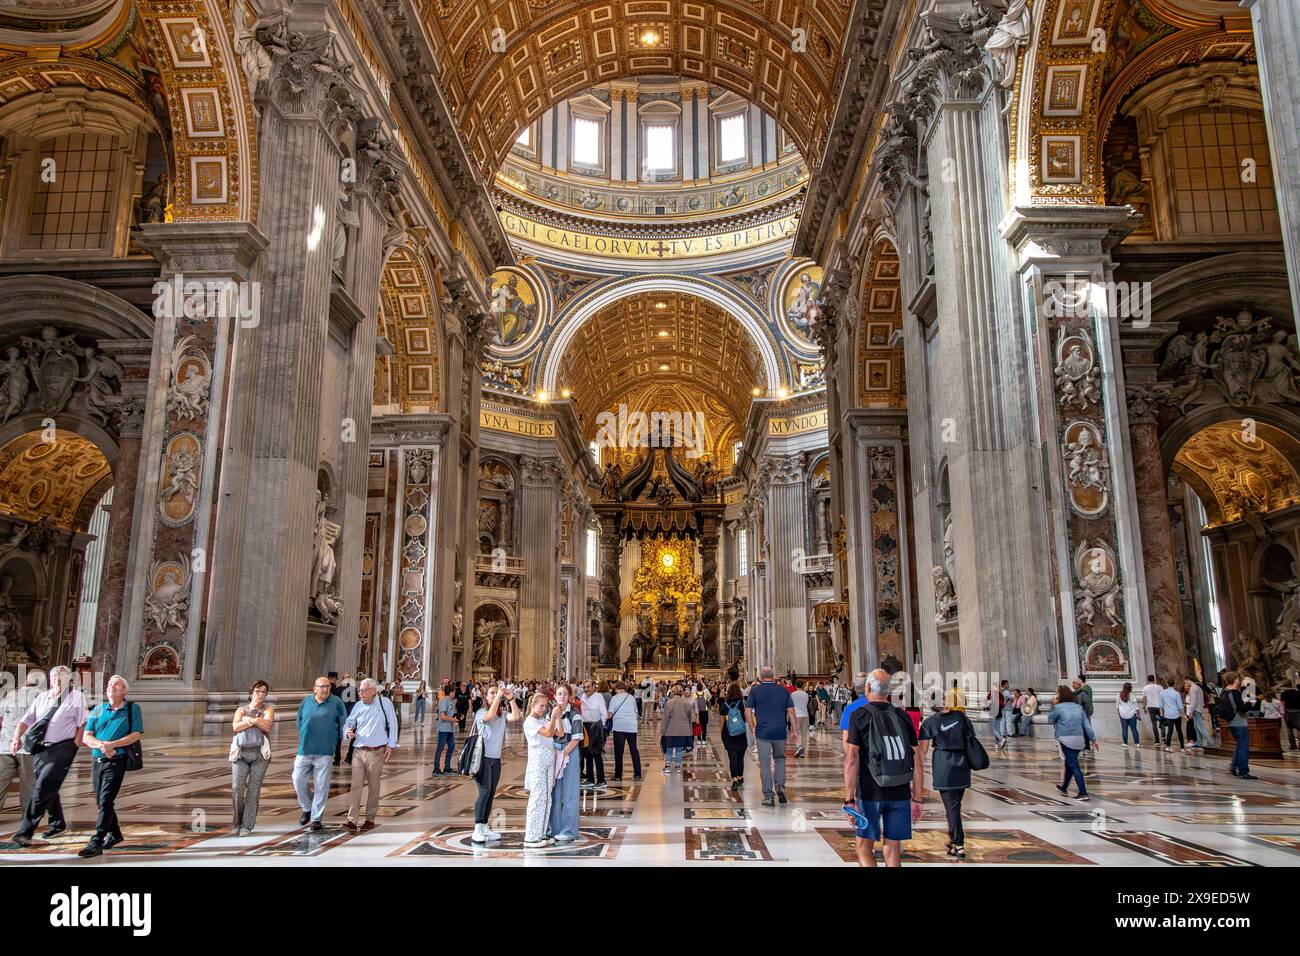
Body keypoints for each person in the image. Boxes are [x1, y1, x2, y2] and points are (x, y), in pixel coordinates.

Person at [842, 669, 925, 867]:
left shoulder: (859, 715)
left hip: (870, 792)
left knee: (863, 846)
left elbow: (851, 758)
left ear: (868, 687)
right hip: (900, 791)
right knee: (893, 848)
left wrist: (849, 799)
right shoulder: (902, 716)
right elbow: (918, 760)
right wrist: (917, 798)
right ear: (888, 691)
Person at [8, 665, 86, 846]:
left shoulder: (76, 697)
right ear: (50, 679)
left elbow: (83, 723)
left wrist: (74, 745)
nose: (58, 679)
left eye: (62, 676)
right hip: (41, 749)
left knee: (42, 787)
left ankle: (25, 831)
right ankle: (57, 823)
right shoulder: (42, 697)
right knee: (48, 784)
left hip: (63, 748)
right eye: (55, 676)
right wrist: (16, 738)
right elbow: (26, 720)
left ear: (69, 679)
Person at [78, 675, 143, 858]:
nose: (111, 687)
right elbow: (86, 736)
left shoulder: (132, 709)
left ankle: (97, 840)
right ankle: (115, 834)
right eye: (109, 685)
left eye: (116, 685)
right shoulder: (98, 709)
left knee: (106, 800)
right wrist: (101, 745)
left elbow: (135, 734)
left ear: (124, 690)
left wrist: (113, 745)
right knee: (101, 801)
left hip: (117, 760)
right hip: (98, 759)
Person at [918, 695, 977, 858]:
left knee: (952, 807)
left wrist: (916, 770)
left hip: (944, 764)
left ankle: (959, 844)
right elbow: (971, 737)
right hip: (962, 763)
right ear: (944, 702)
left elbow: (923, 750)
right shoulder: (961, 717)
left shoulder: (929, 722)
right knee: (955, 804)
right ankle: (953, 841)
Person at [341, 678, 398, 833]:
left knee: (374, 786)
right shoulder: (358, 706)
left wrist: (391, 745)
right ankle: (351, 820)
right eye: (360, 690)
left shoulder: (384, 703)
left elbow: (393, 724)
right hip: (359, 751)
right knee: (355, 786)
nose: (361, 693)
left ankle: (369, 819)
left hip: (376, 751)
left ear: (373, 691)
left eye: (364, 690)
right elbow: (348, 723)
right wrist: (348, 732)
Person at [293, 676, 347, 831]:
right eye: (322, 686)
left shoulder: (336, 702)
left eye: (328, 686)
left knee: (321, 785)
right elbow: (299, 721)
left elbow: (343, 723)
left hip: (325, 750)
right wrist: (304, 736)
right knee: (297, 779)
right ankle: (307, 807)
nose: (325, 689)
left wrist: (334, 741)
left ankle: (316, 818)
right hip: (305, 749)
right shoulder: (306, 702)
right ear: (314, 688)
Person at [470, 682, 521, 844]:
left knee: (491, 793)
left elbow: (516, 716)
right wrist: (499, 696)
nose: (494, 694)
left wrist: (511, 698)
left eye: (495, 692)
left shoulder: (502, 714)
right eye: (491, 693)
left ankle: (485, 826)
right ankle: (477, 827)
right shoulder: (481, 712)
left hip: (496, 759)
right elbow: (489, 717)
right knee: (484, 792)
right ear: (486, 697)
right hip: (482, 758)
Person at [230, 679, 274, 836]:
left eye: (263, 692)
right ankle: (237, 820)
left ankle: (246, 826)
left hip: (260, 754)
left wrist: (248, 721)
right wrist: (255, 721)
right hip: (241, 753)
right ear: (251, 693)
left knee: (253, 790)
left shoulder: (268, 709)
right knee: (237, 787)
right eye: (257, 691)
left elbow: (267, 725)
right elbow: (235, 727)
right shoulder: (241, 710)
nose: (260, 694)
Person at [747, 664, 795, 806]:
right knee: (780, 759)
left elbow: (748, 710)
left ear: (761, 677)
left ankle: (768, 795)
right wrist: (795, 730)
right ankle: (780, 785)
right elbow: (791, 711)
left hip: (763, 732)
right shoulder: (783, 690)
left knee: (765, 764)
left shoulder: (755, 691)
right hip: (780, 731)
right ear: (773, 677)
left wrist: (752, 726)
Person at [521, 692, 561, 847]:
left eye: (545, 706)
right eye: (541, 705)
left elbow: (559, 733)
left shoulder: (543, 719)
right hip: (538, 760)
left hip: (548, 760)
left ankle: (542, 833)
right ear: (533, 705)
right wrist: (552, 718)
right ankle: (531, 835)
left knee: (547, 797)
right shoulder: (530, 721)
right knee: (537, 797)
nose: (544, 709)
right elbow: (548, 733)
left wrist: (556, 717)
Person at [0, 669, 42, 815]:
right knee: (28, 785)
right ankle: (28, 819)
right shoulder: (42, 696)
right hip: (28, 747)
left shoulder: (10, 695)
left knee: (1, 781)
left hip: (5, 746)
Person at [1049, 685, 1098, 801]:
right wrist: (1093, 739)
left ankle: (1083, 792)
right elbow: (1086, 724)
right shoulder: (1078, 708)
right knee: (1069, 764)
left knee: (1074, 765)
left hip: (1065, 739)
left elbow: (1050, 719)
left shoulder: (1059, 707)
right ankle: (1064, 787)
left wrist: (1053, 706)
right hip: (1079, 739)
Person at [548, 683, 584, 842]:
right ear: (555, 697)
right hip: (555, 750)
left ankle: (568, 830)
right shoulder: (551, 712)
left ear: (569, 697)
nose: (561, 696)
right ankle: (553, 828)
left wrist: (564, 753)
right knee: (554, 791)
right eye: (559, 693)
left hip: (569, 750)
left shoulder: (574, 713)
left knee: (569, 791)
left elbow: (576, 739)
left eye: (564, 694)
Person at [1219, 671, 1256, 779]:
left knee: (1240, 745)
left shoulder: (1224, 692)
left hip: (1230, 722)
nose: (1239, 680)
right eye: (1238, 678)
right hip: (1239, 721)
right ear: (1235, 679)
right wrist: (1250, 703)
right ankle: (1243, 771)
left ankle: (1233, 765)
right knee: (1244, 746)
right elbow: (1242, 708)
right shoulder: (1235, 693)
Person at [579, 678, 608, 790]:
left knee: (596, 753)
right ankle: (590, 779)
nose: (587, 690)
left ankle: (601, 780)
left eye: (588, 687)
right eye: (585, 687)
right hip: (585, 727)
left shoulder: (598, 697)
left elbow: (604, 713)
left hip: (596, 726)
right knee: (587, 753)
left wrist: (600, 725)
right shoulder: (583, 697)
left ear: (593, 687)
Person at [608, 680, 641, 781]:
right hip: (632, 726)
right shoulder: (631, 698)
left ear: (617, 689)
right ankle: (637, 773)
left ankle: (618, 775)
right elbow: (636, 711)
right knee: (633, 750)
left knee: (619, 752)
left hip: (619, 726)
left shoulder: (614, 698)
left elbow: (610, 714)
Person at [718, 682, 748, 789]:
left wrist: (722, 734)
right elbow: (746, 718)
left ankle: (734, 779)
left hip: (728, 734)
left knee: (732, 758)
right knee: (740, 757)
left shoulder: (724, 705)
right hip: (741, 733)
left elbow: (721, 722)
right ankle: (740, 777)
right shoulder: (742, 704)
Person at [432, 687, 457, 776]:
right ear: (450, 692)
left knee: (451, 746)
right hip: (443, 728)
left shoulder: (450, 701)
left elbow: (452, 713)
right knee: (440, 747)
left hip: (450, 728)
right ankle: (436, 768)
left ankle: (447, 767)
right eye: (453, 692)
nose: (454, 694)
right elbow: (442, 716)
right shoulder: (443, 701)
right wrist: (452, 720)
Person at [1159, 678, 1186, 752]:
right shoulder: (1176, 693)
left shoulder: (1162, 693)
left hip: (1168, 715)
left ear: (1167, 684)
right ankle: (1182, 747)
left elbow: (1161, 705)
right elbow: (1180, 706)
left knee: (1170, 731)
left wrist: (1161, 714)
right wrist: (1183, 715)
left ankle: (1168, 746)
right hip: (1176, 714)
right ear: (1174, 684)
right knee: (1179, 730)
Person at [1185, 678, 1210, 750]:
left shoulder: (1193, 689)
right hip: (1199, 709)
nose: (1186, 684)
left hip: (1195, 710)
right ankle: (1199, 742)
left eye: (1186, 682)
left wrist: (1190, 712)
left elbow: (1193, 702)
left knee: (1201, 727)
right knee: (1197, 727)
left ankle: (1209, 741)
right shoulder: (1197, 687)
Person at [1115, 682, 1141, 748]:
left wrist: (1119, 714)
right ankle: (1137, 743)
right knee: (1134, 729)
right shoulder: (1132, 696)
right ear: (1130, 688)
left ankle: (1125, 743)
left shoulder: (1118, 695)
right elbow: (1136, 707)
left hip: (1123, 715)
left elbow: (1117, 706)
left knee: (1124, 729)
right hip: (1132, 714)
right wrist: (1138, 715)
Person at [791, 682, 810, 757]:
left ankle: (798, 747)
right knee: (804, 734)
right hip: (805, 714)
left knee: (795, 733)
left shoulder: (792, 694)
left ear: (795, 685)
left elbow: (791, 704)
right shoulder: (806, 694)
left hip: (796, 715)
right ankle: (802, 751)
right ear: (803, 685)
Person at [1142, 675, 1163, 743]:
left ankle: (1157, 740)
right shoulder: (1160, 687)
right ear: (1154, 679)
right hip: (1159, 706)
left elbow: (1144, 698)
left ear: (1148, 680)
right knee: (1162, 721)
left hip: (1151, 706)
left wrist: (1144, 707)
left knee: (1154, 724)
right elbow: (1163, 697)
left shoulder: (1145, 688)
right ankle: (1163, 737)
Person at [987, 680, 1006, 750]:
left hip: (993, 712)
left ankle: (1002, 739)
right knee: (997, 729)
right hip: (999, 712)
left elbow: (988, 700)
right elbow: (1003, 704)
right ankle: (997, 744)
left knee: (994, 729)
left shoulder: (992, 693)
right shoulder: (1000, 694)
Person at [1281, 681, 1300, 751]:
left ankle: (1292, 745)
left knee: (1289, 729)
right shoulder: (1298, 693)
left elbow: (1282, 704)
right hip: (1298, 712)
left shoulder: (1283, 693)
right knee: (1299, 729)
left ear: (1285, 686)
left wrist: (1282, 713)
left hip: (1288, 712)